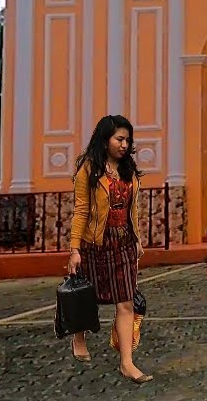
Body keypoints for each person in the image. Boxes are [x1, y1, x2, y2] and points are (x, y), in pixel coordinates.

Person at [66, 115, 152, 384]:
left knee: (125, 302)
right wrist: (74, 249)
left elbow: (132, 208)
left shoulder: (128, 169)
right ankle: (78, 336)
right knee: (87, 297)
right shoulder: (89, 170)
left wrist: (137, 238)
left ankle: (126, 362)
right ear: (105, 140)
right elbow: (81, 210)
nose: (125, 145)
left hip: (123, 243)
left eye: (128, 140)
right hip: (95, 244)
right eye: (119, 139)